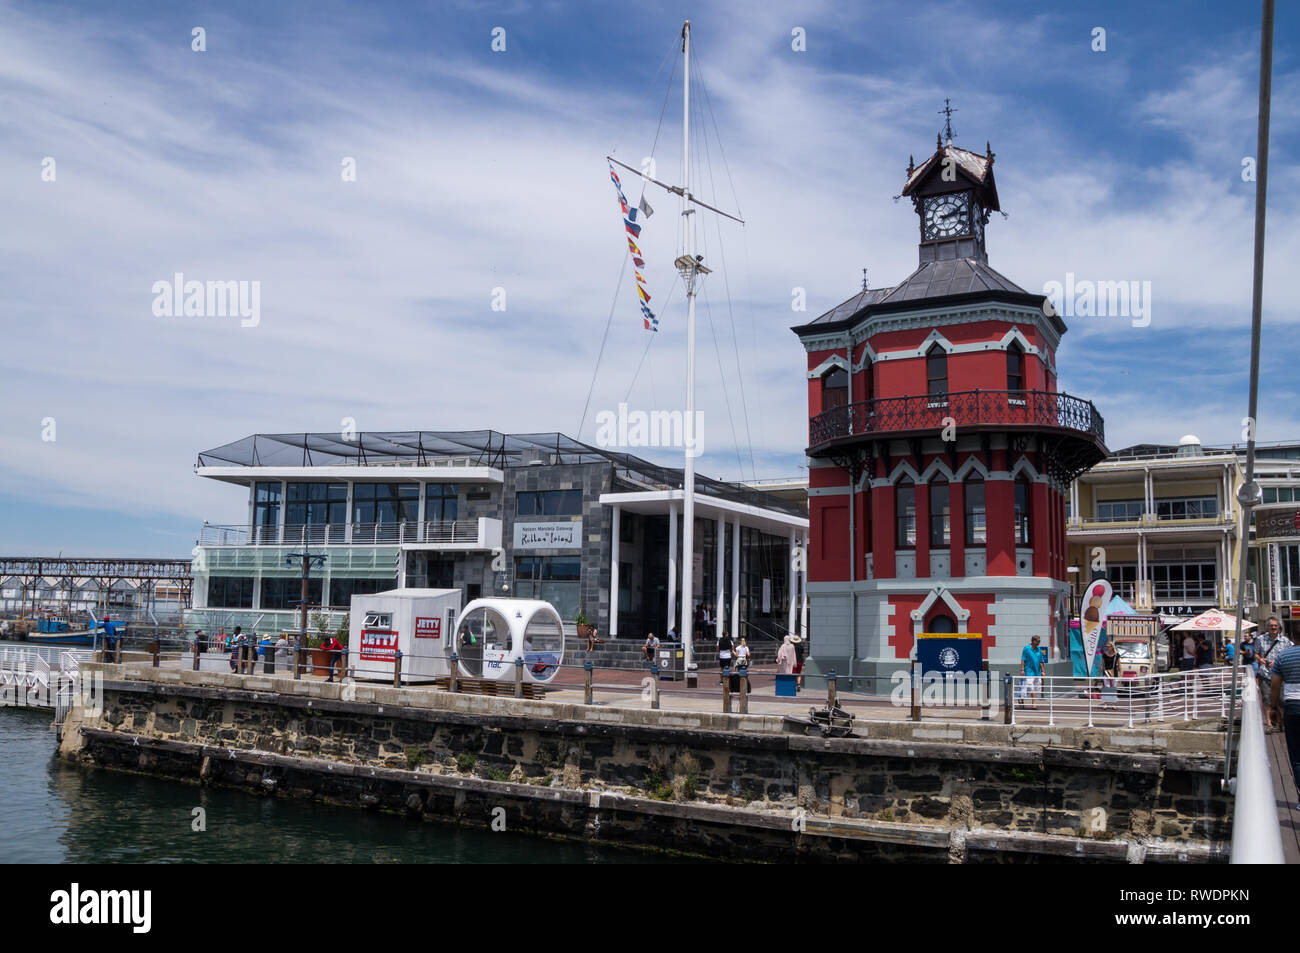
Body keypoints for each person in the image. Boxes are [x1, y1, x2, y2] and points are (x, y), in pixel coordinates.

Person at [1269, 639, 1300, 808]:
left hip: (1293, 706)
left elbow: (1274, 685)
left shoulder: (1283, 656)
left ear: (1293, 638)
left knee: (1296, 754)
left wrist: (1273, 708)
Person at [1020, 635, 1045, 709]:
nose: (1039, 643)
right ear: (1033, 641)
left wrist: (1043, 671)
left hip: (1036, 672)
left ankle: (1026, 701)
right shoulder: (1026, 649)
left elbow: (1041, 661)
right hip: (1029, 671)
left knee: (1035, 687)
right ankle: (1029, 702)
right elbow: (1023, 659)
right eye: (1038, 641)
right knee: (1030, 686)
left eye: (1039, 641)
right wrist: (1022, 669)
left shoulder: (1039, 650)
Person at [1100, 640, 1119, 709]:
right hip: (1106, 673)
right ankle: (1105, 703)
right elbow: (1102, 665)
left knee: (1113, 688)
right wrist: (1099, 675)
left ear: (1112, 647)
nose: (1107, 648)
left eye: (1108, 647)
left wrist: (1121, 674)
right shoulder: (1104, 654)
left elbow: (1119, 665)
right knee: (1106, 688)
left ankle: (1114, 704)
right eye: (1106, 647)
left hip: (1114, 673)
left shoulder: (1116, 655)